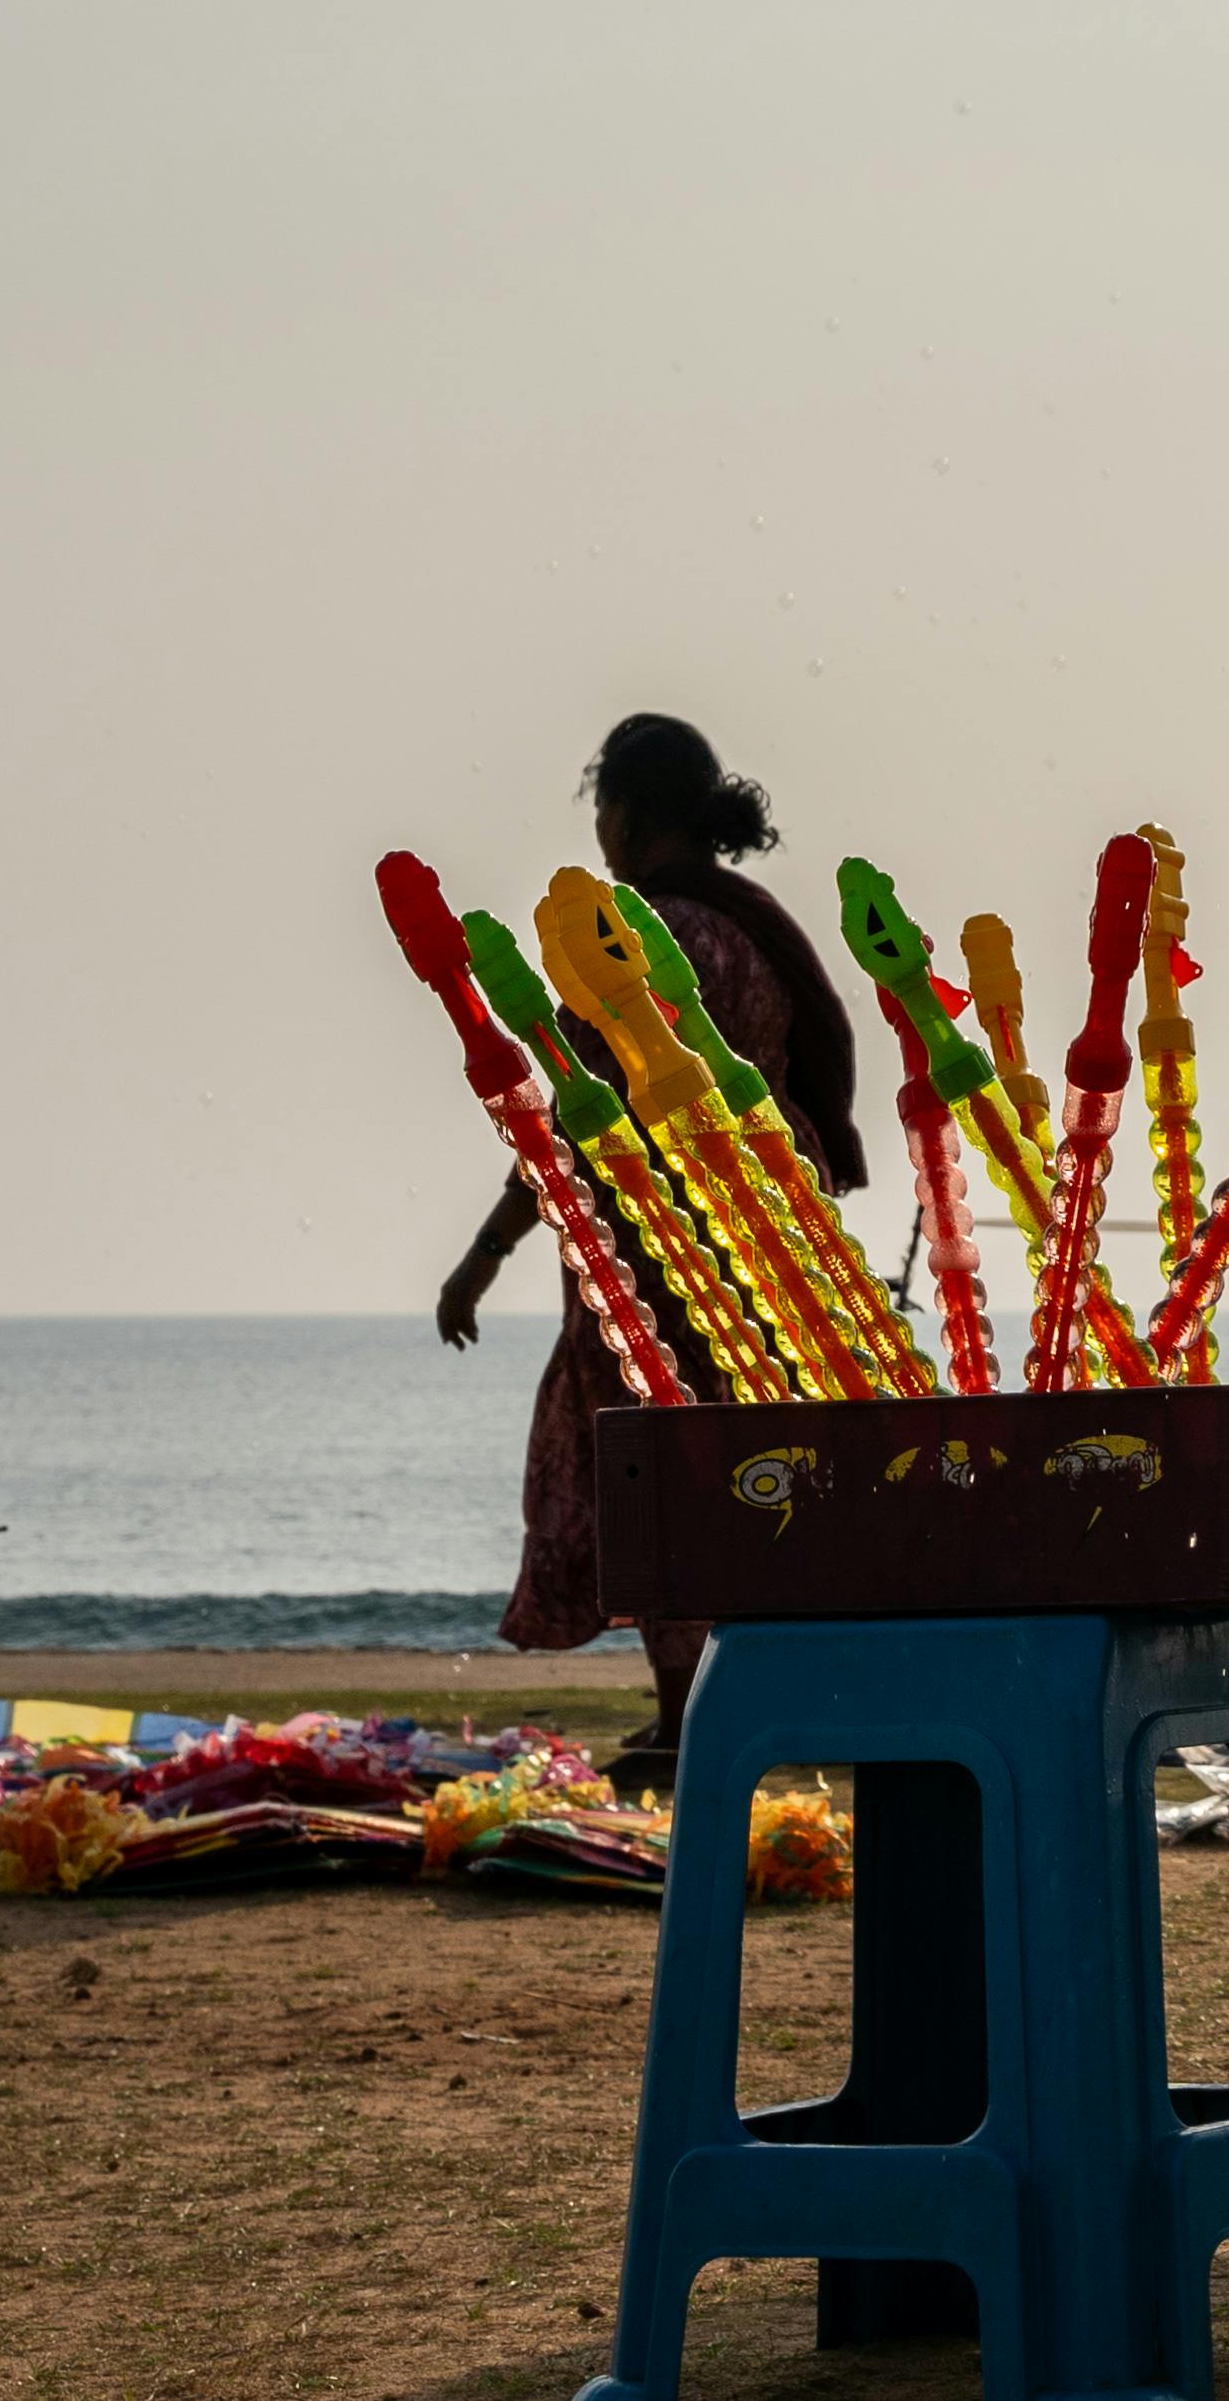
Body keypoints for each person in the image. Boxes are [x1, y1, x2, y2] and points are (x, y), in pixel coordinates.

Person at [440, 710, 873, 1790]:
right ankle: (740, 1700)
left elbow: (575, 1108)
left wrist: (486, 1253)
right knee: (748, 1465)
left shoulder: (638, 939)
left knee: (653, 1464)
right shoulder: (753, 930)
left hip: (662, 1234)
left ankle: (691, 1711)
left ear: (628, 816)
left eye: (602, 812)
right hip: (769, 1228)